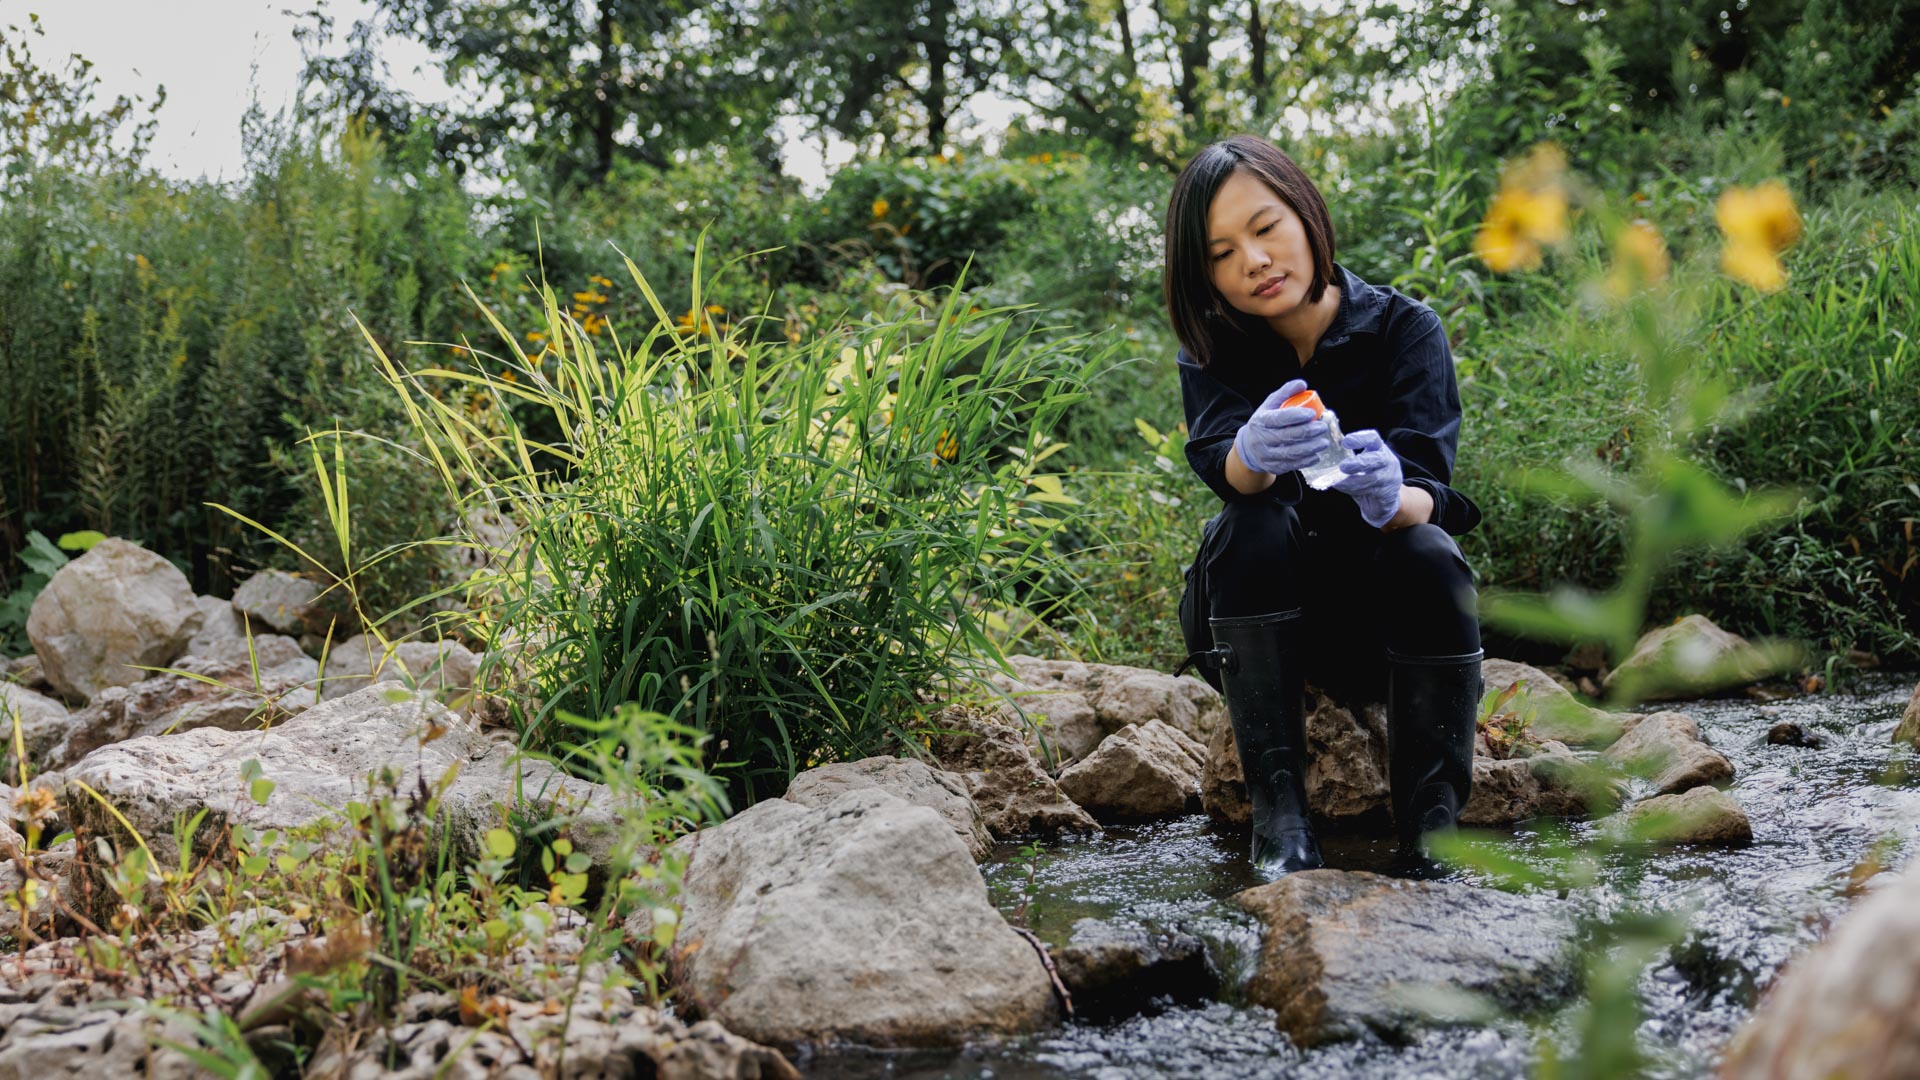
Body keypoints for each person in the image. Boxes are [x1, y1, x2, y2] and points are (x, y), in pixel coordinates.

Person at [1164, 134, 1484, 878]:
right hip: (1258, 620)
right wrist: (1251, 450)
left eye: (1265, 228)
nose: (1253, 262)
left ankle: (1432, 835)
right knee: (1250, 519)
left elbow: (1429, 493)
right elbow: (1222, 464)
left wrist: (1387, 493)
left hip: (1380, 632)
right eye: (1220, 253)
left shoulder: (1407, 330)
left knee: (1429, 551)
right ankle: (1280, 824)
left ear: (1306, 215)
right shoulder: (1213, 350)